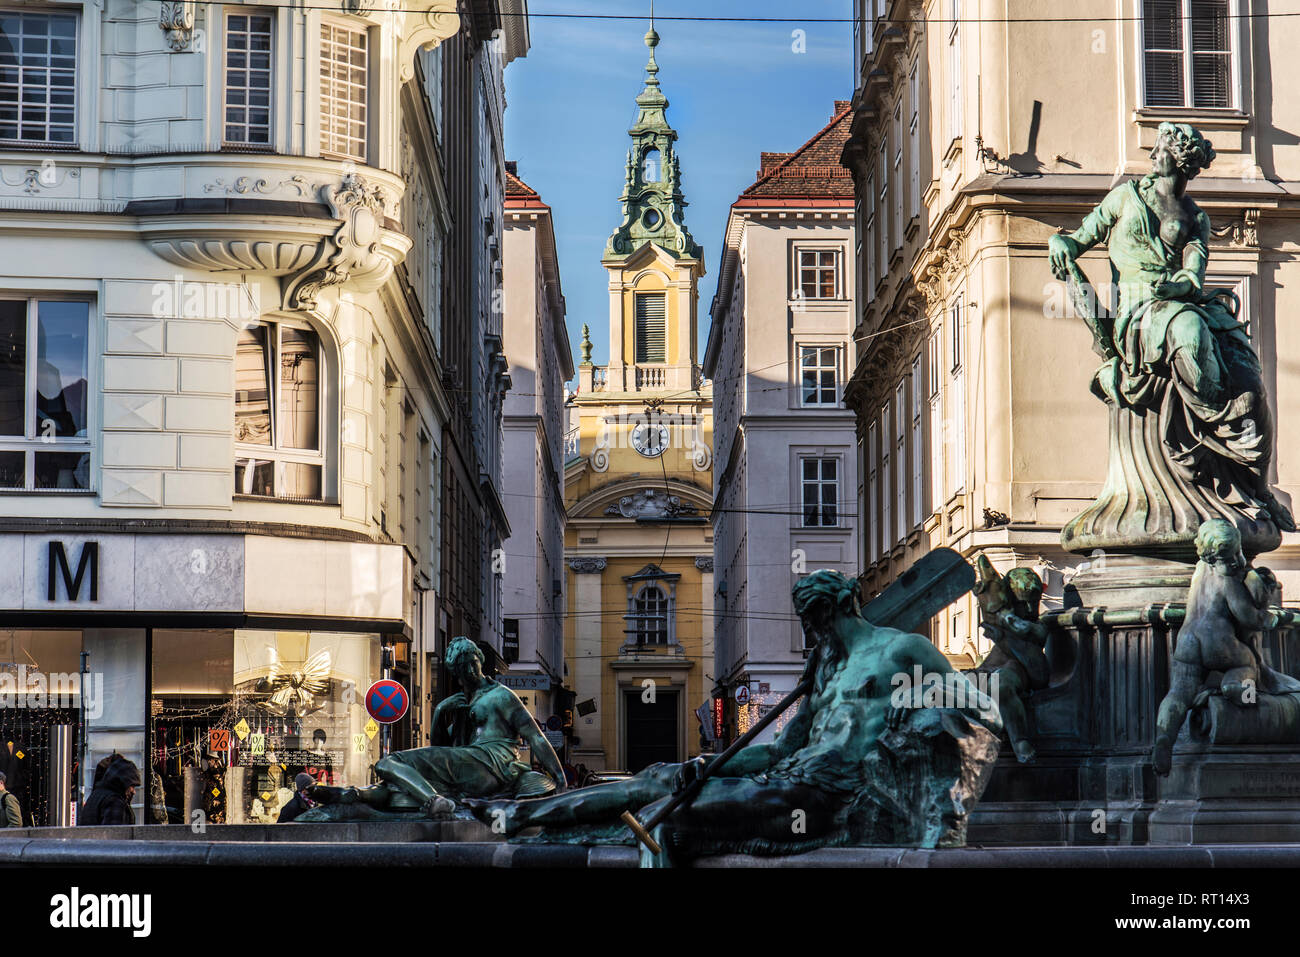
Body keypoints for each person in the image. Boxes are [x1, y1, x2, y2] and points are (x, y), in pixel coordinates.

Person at [466, 570, 1002, 860]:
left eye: (812, 624)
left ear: (833, 611)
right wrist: (712, 762)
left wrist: (921, 728)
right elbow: (780, 749)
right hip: (791, 774)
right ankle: (522, 816)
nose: (811, 636)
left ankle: (559, 831)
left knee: (674, 819)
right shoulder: (824, 672)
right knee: (659, 778)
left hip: (826, 794)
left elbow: (977, 707)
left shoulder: (900, 651)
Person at [1049, 121, 1294, 541]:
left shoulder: (1195, 217)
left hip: (1182, 299)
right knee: (1190, 332)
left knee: (1251, 386)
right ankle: (1210, 437)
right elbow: (1080, 239)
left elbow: (1194, 270)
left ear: (1178, 162)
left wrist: (1182, 284)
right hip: (1141, 311)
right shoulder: (1123, 198)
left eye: (1161, 149)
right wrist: (1062, 243)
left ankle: (1254, 483)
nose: (1153, 155)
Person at [309, 637, 567, 816]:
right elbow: (441, 748)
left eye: (473, 664)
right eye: (463, 669)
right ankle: (356, 795)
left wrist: (559, 776)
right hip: (469, 763)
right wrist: (441, 711)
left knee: (388, 762)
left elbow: (536, 737)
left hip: (491, 764)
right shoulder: (460, 704)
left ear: (479, 661)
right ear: (456, 673)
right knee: (395, 787)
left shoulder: (501, 695)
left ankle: (434, 801)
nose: (470, 672)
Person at [80, 755, 140, 825]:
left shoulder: (96, 795)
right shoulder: (114, 801)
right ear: (123, 782)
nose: (134, 791)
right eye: (132, 786)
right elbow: (114, 833)